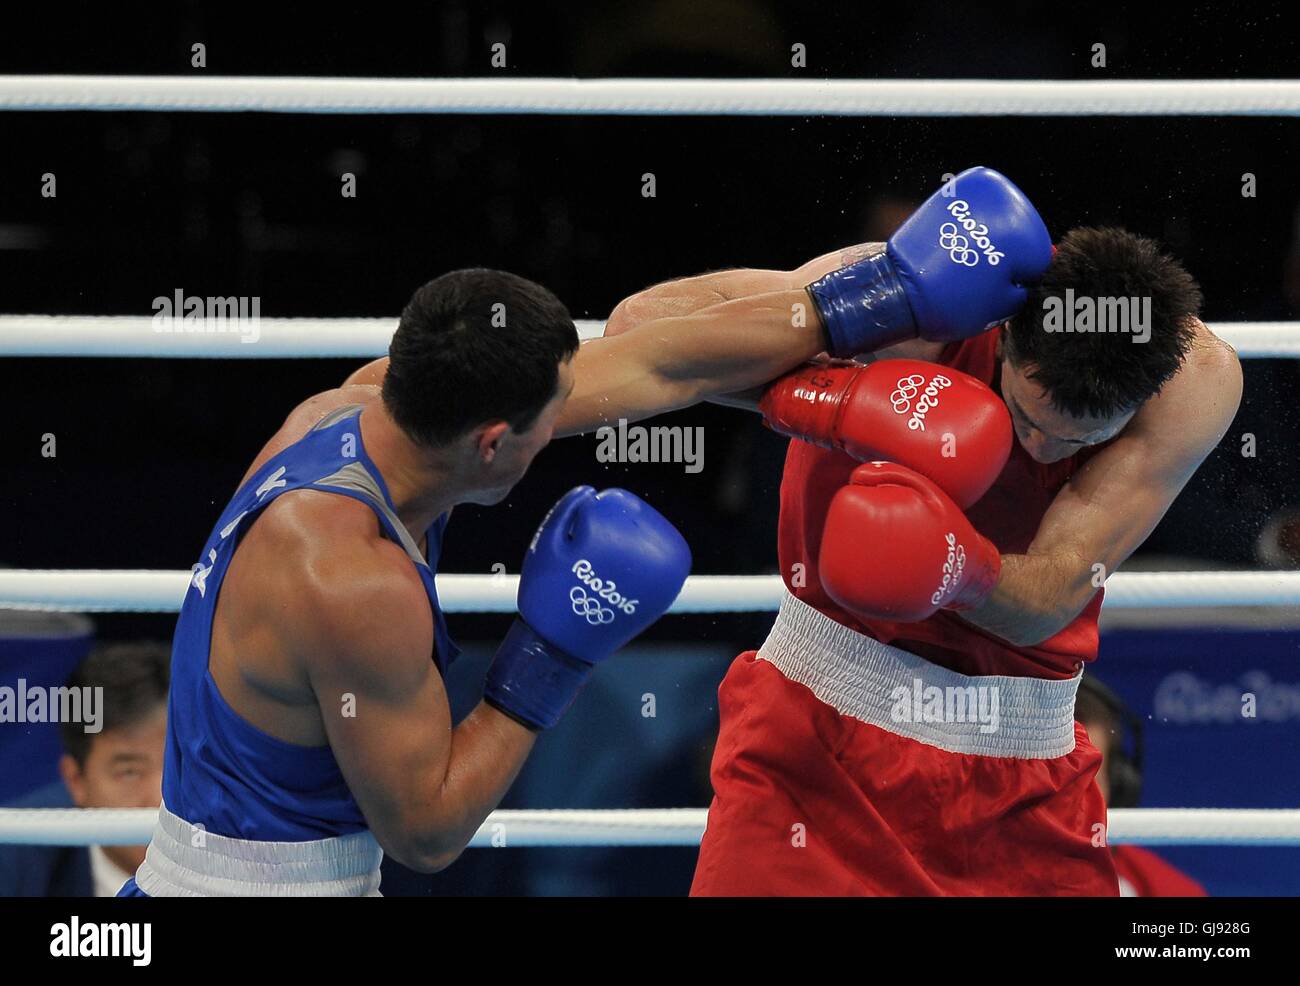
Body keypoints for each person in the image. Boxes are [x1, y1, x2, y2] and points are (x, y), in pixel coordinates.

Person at [121, 168, 1041, 896]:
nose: (573, 424)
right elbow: (428, 831)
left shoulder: (345, 413)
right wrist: (551, 650)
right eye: (552, 419)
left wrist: (880, 296)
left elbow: (659, 362)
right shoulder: (351, 583)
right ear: (493, 441)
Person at [607, 174, 1243, 895]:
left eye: (1079, 439)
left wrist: (950, 566)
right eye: (1027, 418)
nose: (1041, 451)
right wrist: (842, 386)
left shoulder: (1198, 380)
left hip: (1022, 773)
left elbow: (1052, 590)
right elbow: (643, 328)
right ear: (1002, 340)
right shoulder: (920, 309)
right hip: (816, 735)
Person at [0, 642, 168, 896]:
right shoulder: (15, 858)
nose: (159, 799)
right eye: (130, 772)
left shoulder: (243, 843)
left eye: (181, 767)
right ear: (76, 780)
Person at [1075, 675, 1208, 897]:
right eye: (1049, 782)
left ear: (1118, 785)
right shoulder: (996, 880)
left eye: (1082, 781)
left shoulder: (1169, 891)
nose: (1062, 801)